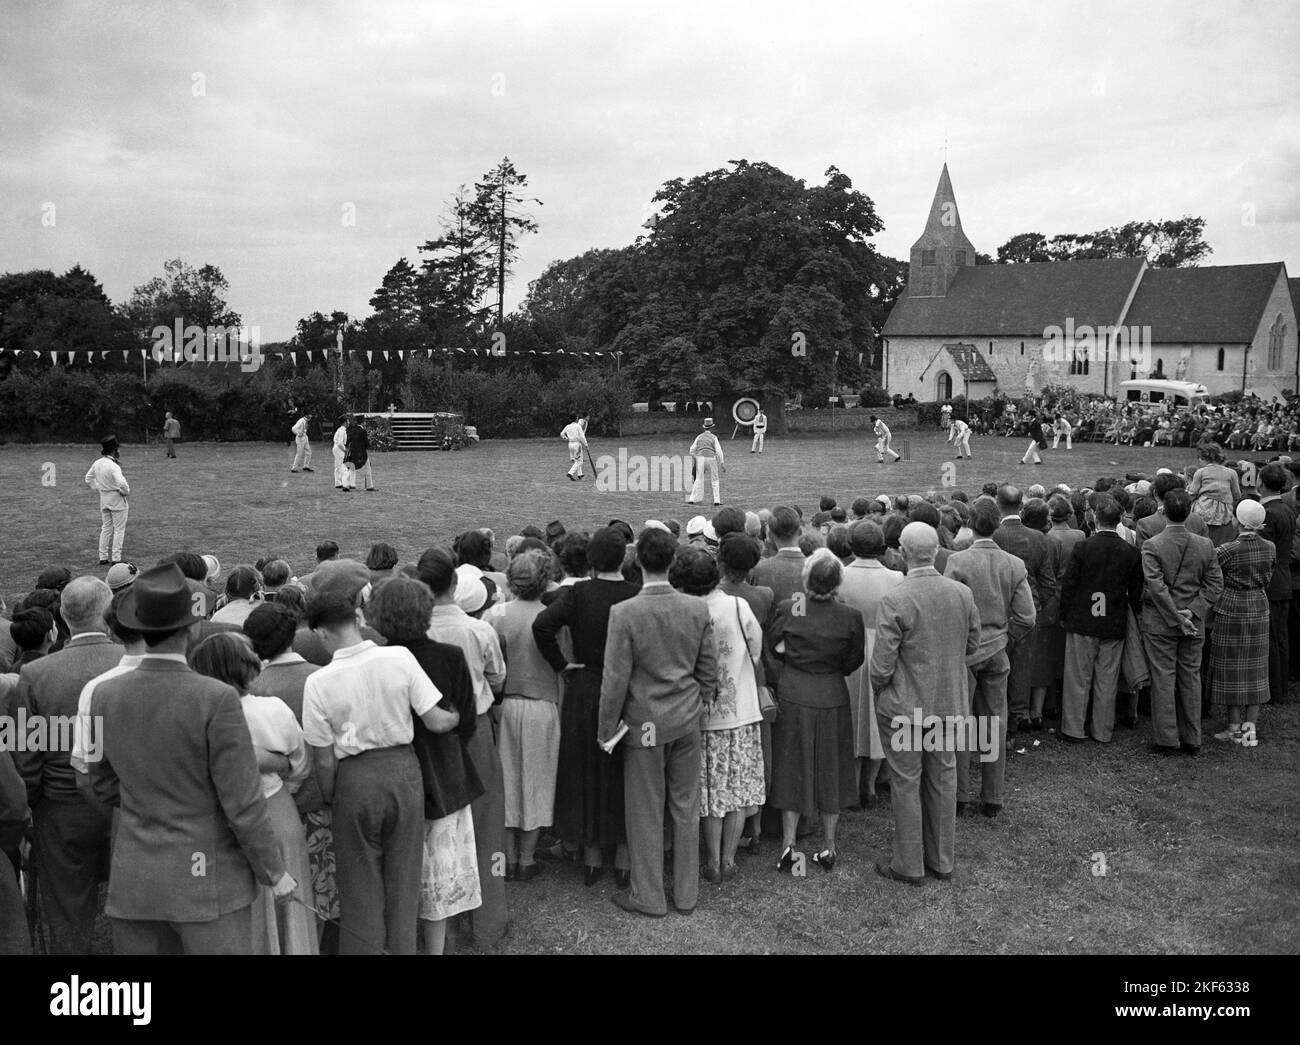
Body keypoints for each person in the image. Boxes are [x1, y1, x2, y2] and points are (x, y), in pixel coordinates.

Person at [88, 563, 296, 954]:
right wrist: (275, 872)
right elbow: (243, 801)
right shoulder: (215, 699)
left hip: (138, 875)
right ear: (191, 629)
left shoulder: (103, 696)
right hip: (206, 880)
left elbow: (101, 781)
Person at [301, 589, 459, 955]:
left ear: (321, 634)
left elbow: (323, 760)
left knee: (358, 884)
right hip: (403, 771)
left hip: (354, 778)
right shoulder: (399, 657)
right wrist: (457, 716)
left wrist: (330, 796)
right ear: (358, 620)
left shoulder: (319, 682)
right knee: (404, 877)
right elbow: (436, 720)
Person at [599, 527, 718, 917]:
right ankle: (685, 894)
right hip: (683, 720)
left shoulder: (628, 613)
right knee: (685, 807)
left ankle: (650, 894)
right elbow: (708, 671)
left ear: (639, 562)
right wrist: (697, 703)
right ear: (672, 561)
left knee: (646, 810)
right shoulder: (694, 608)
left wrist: (606, 731)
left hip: (649, 722)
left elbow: (614, 681)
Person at [364, 577, 482, 956]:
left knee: (396, 864)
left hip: (392, 773)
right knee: (440, 868)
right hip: (441, 769)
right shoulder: (448, 657)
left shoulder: (373, 661)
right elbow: (466, 723)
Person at [12, 577, 121, 954]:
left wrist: (28, 811)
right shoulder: (129, 662)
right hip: (124, 805)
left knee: (69, 913)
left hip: (60, 811)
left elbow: (25, 754)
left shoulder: (35, 674)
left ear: (60, 618)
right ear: (108, 614)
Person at [190, 632, 316, 955]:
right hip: (276, 808)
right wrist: (280, 775)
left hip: (220, 817)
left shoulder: (198, 718)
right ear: (246, 667)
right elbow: (301, 764)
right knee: (290, 907)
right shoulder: (272, 710)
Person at [871, 523, 981, 885]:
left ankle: (910, 864)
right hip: (946, 704)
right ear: (934, 551)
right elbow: (972, 647)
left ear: (903, 553)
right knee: (942, 780)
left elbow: (881, 666)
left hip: (907, 708)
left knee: (907, 783)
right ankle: (941, 860)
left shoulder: (898, 598)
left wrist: (882, 691)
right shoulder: (961, 594)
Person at [533, 527, 639, 886]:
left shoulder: (580, 593)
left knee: (589, 768)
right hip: (624, 688)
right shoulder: (634, 594)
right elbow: (543, 626)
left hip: (588, 687)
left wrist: (562, 665)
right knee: (623, 769)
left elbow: (542, 625)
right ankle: (622, 859)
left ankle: (593, 856)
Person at [421, 548, 509, 949]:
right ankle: (487, 921)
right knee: (485, 826)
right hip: (473, 733)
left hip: (430, 737)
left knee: (440, 833)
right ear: (454, 585)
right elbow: (497, 677)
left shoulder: (413, 632)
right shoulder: (478, 630)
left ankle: (449, 925)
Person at [767, 549, 865, 873]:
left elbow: (773, 646)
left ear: (807, 578)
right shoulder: (849, 615)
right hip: (830, 691)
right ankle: (829, 845)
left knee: (792, 764)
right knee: (831, 766)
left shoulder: (791, 607)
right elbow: (853, 661)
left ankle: (789, 844)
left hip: (795, 692)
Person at [674, 547, 765, 883]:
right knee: (737, 788)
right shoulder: (738, 605)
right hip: (738, 708)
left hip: (701, 712)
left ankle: (712, 861)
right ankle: (726, 860)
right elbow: (756, 648)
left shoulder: (684, 610)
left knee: (711, 791)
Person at [943, 500, 1035, 817]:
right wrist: (1005, 639)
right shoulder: (1012, 564)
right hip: (995, 650)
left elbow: (949, 611)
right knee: (993, 723)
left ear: (970, 522)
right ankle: (992, 796)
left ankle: (960, 795)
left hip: (966, 653)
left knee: (961, 722)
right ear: (996, 525)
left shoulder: (958, 561)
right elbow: (1027, 617)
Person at [484, 550, 562, 881]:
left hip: (503, 706)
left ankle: (511, 857)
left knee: (506, 782)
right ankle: (525, 858)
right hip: (541, 705)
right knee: (537, 781)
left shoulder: (494, 614)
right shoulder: (552, 616)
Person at [1140, 489, 1224, 755]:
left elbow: (1156, 587)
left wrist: (1180, 616)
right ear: (1189, 512)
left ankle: (1167, 740)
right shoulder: (1204, 544)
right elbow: (1215, 584)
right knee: (1190, 676)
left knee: (1164, 677)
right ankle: (1192, 738)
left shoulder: (1153, 544)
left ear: (1163, 510)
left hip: (1163, 622)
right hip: (1191, 621)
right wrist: (1191, 613)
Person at [1058, 495, 1144, 744]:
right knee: (1107, 679)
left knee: (1078, 677)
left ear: (1095, 518)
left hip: (1083, 619)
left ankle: (1074, 728)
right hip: (1112, 621)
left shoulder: (1084, 547)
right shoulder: (1130, 551)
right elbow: (1136, 591)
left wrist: (1065, 615)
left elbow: (1070, 585)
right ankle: (1102, 729)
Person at [838, 521, 904, 809]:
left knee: (853, 712)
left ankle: (856, 783)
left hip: (850, 647)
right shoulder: (896, 577)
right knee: (878, 714)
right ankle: (869, 782)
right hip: (882, 647)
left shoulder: (840, 575)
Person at [991, 485, 1058, 732]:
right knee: (1021, 668)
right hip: (1027, 614)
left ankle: (1006, 723)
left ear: (999, 505)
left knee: (1001, 671)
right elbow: (1048, 583)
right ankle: (1014, 722)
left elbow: (1048, 583)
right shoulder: (1037, 537)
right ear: (1020, 506)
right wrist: (1034, 605)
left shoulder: (995, 536)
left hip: (1000, 613)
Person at [1208, 500, 1274, 748]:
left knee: (1231, 670)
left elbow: (1212, 573)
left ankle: (1235, 728)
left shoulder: (1226, 549)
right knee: (1255, 669)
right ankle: (1250, 729)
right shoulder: (1270, 547)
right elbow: (1269, 575)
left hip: (1232, 607)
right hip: (1259, 606)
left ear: (1237, 520)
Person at [1258, 464, 1296, 706]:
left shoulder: (1269, 512)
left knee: (1272, 637)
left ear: (1261, 483)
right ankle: (1280, 685)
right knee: (1280, 636)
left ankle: (1274, 688)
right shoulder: (1286, 508)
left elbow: (1264, 553)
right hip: (1284, 579)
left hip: (1272, 581)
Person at [85, 435, 130, 565]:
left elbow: (88, 478)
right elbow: (122, 483)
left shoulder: (97, 463)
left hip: (104, 498)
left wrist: (99, 488)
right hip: (116, 498)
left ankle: (103, 557)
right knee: (119, 529)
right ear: (114, 450)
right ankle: (116, 558)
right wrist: (126, 492)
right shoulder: (113, 466)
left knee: (106, 528)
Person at [1186, 443, 1240, 547]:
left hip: (1203, 509)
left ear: (1204, 457)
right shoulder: (1231, 472)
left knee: (1202, 538)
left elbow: (1193, 493)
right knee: (1221, 540)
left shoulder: (1200, 472)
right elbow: (1237, 494)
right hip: (1224, 512)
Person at [687, 418, 726, 506]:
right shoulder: (713, 437)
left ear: (704, 428)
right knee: (715, 480)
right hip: (711, 459)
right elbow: (719, 451)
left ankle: (691, 499)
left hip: (700, 459)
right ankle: (717, 500)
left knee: (698, 479)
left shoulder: (699, 437)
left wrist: (696, 458)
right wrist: (722, 462)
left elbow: (691, 450)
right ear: (712, 428)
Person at [343, 416, 374, 492]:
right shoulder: (363, 431)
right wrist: (368, 446)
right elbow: (366, 443)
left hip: (352, 452)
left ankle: (346, 485)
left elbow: (347, 442)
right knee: (368, 468)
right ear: (363, 422)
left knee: (350, 468)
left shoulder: (352, 430)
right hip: (362, 452)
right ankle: (369, 486)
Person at [560, 412, 590, 481]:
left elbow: (562, 434)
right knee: (579, 461)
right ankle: (570, 473)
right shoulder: (578, 426)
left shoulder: (568, 426)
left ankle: (580, 474)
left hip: (570, 444)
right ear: (576, 419)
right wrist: (586, 445)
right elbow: (582, 436)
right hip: (577, 444)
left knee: (577, 460)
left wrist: (566, 438)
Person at [332, 416, 348, 490]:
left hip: (336, 448)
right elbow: (340, 443)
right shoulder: (342, 431)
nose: (349, 422)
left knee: (338, 466)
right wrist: (345, 450)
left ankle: (338, 483)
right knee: (342, 466)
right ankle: (345, 484)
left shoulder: (340, 430)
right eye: (348, 421)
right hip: (339, 449)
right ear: (345, 422)